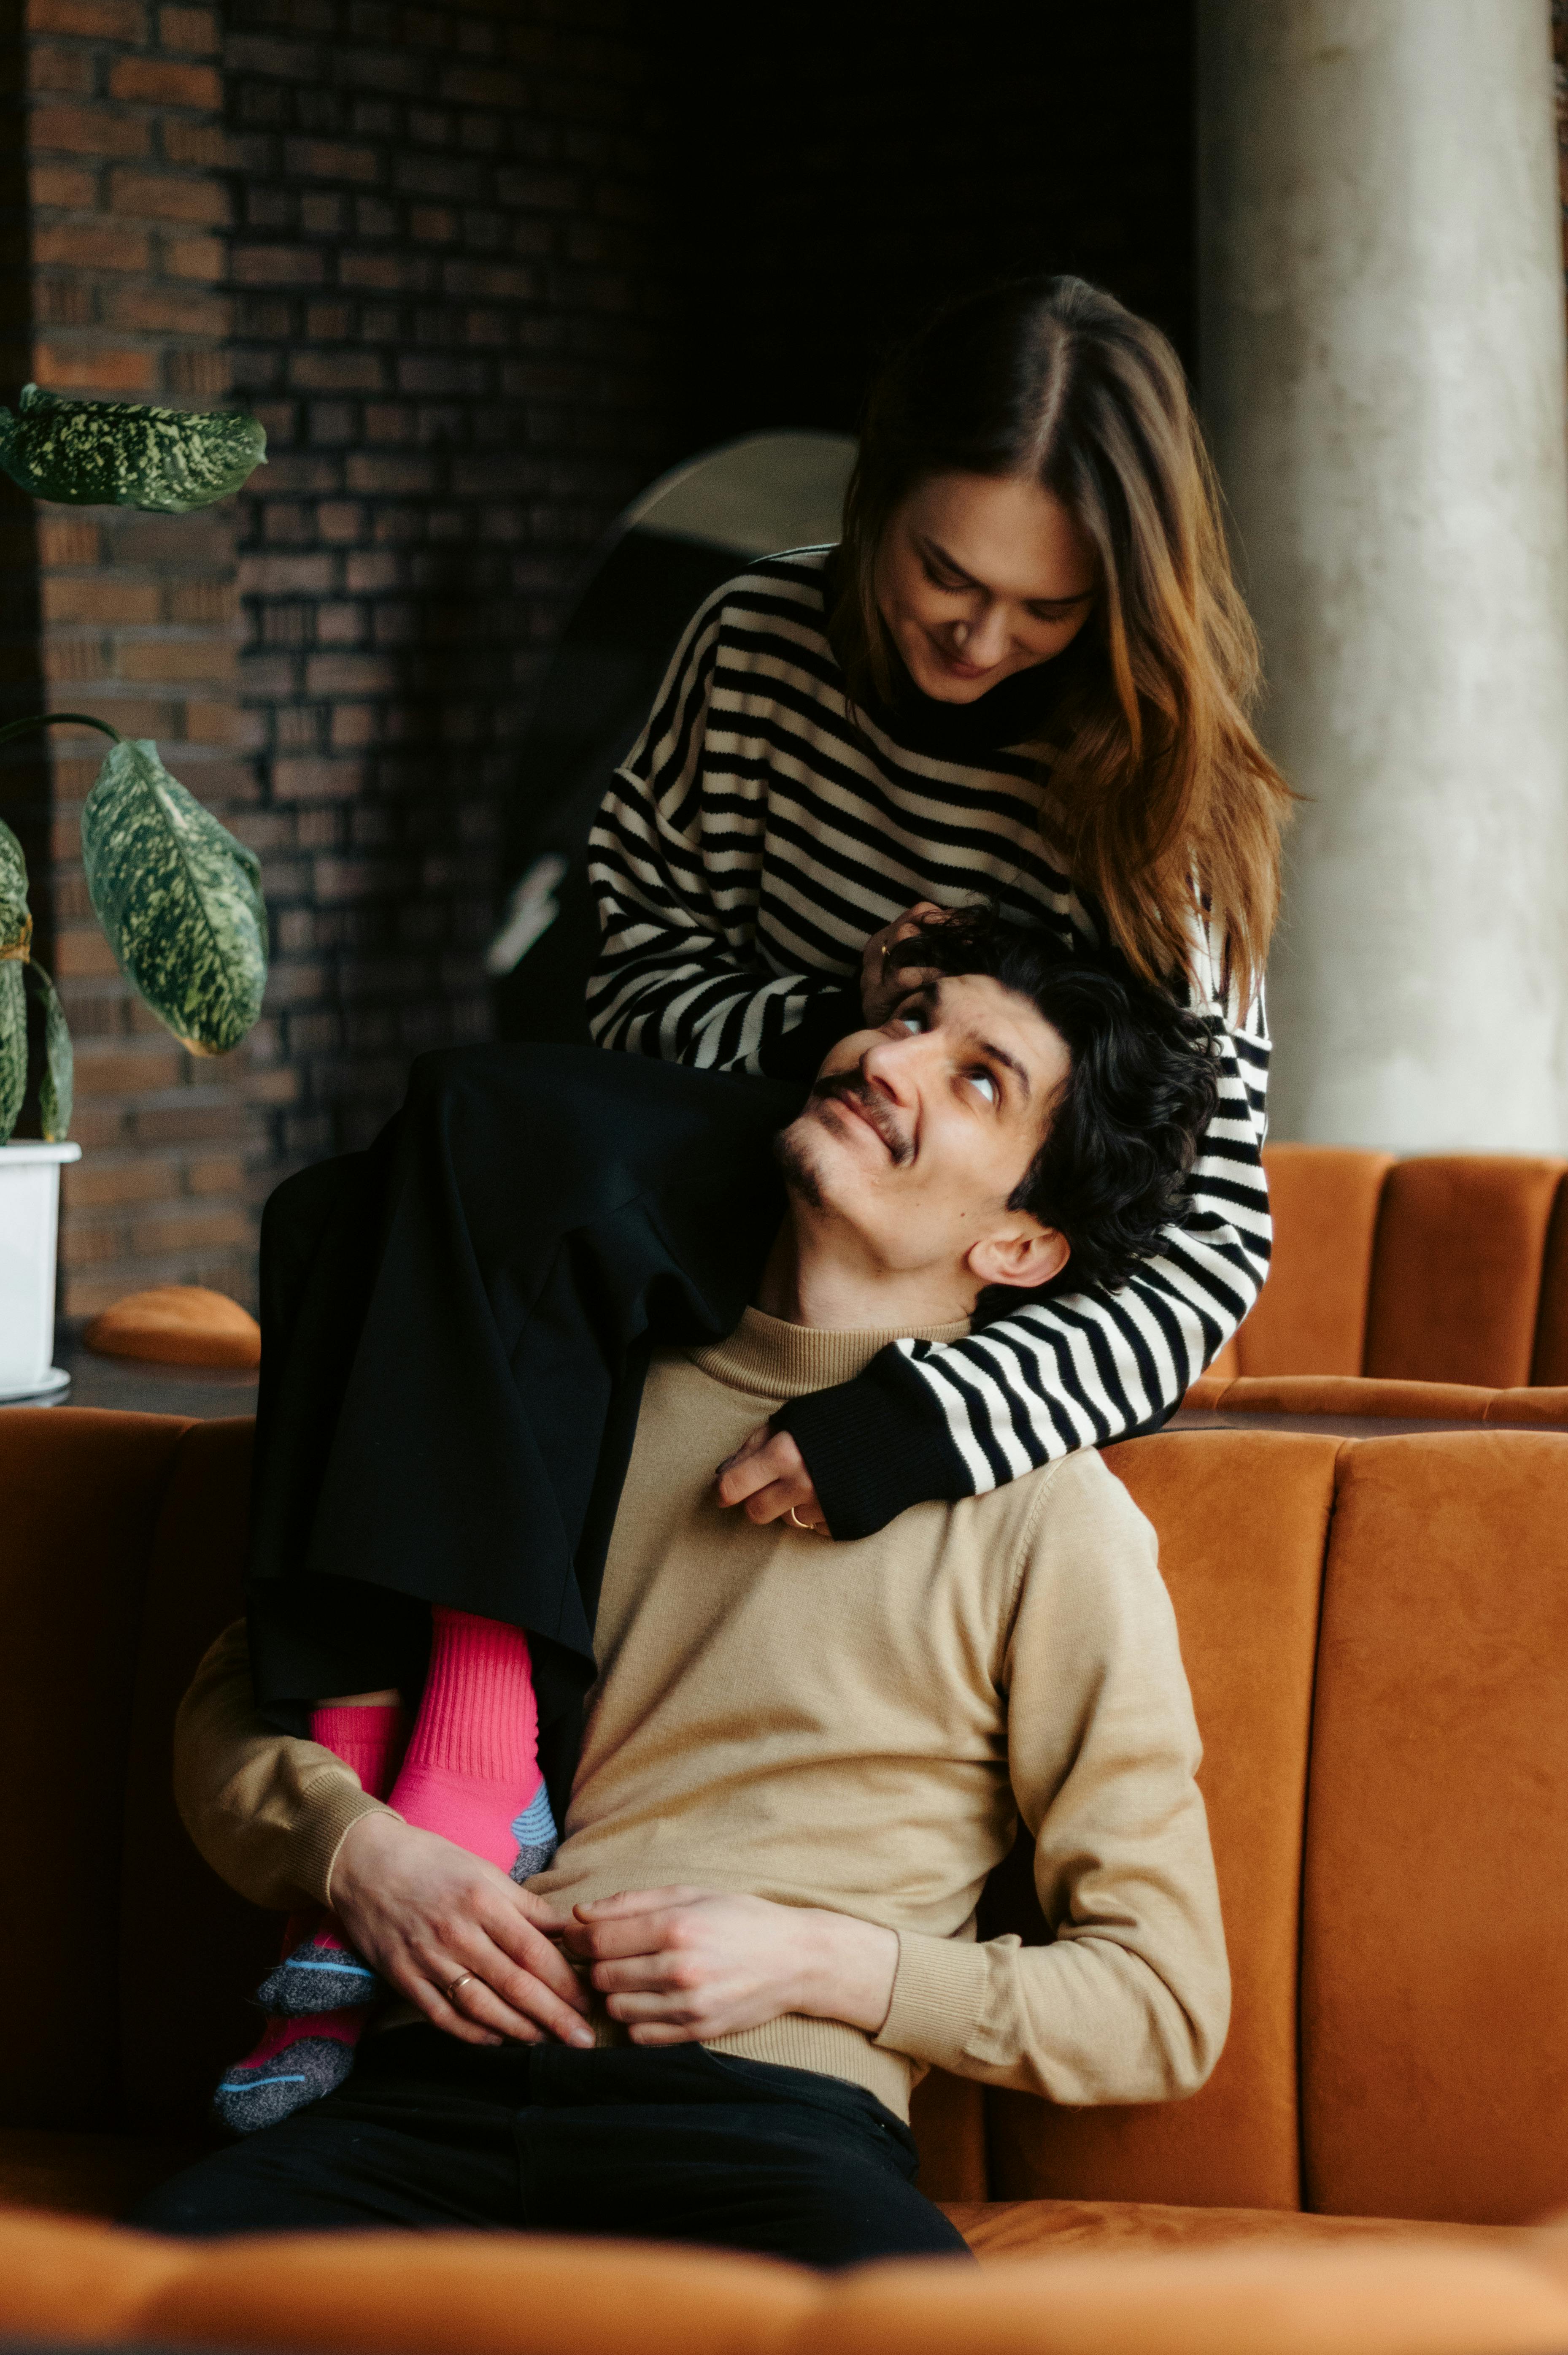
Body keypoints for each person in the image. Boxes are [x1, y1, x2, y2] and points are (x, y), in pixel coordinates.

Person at [134, 913, 1230, 2269]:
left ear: (1019, 1247)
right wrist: (360, 1857)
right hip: (426, 2092)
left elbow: (1161, 2001)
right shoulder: (563, 1371)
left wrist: (820, 1965)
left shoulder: (1051, 1519)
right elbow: (251, 1685)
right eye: (906, 1019)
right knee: (105, 2311)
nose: (892, 1060)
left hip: (768, 2125)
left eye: (977, 1078)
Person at [588, 272, 1289, 1542]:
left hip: (972, 1371)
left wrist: (918, 1427)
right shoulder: (753, 641)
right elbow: (625, 995)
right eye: (944, 573)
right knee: (460, 1139)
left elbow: (1206, 1252)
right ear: (880, 497)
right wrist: (850, 1035)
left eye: (1047, 609)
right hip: (712, 1258)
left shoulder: (1160, 791)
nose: (976, 641)